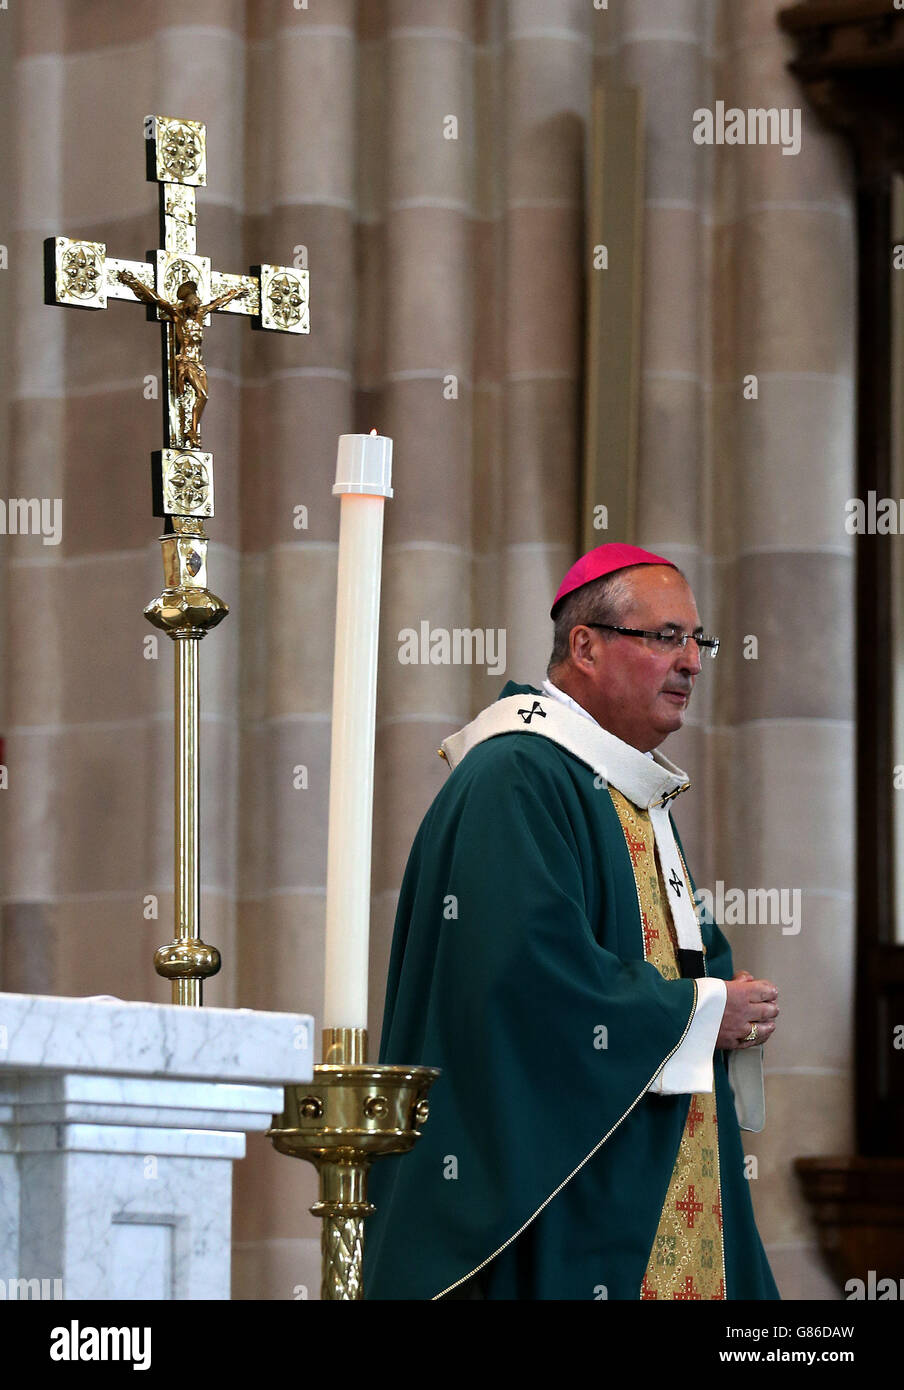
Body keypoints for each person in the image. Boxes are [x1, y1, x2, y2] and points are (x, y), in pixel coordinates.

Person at [364, 543, 781, 1300]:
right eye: (665, 638)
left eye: (699, 640)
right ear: (584, 645)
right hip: (568, 1205)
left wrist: (726, 995)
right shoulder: (516, 776)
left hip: (663, 1180)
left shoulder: (626, 788)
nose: (692, 661)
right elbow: (525, 981)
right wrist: (703, 1010)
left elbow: (684, 959)